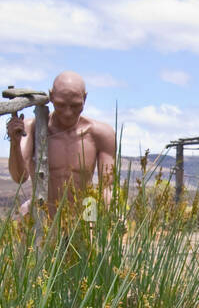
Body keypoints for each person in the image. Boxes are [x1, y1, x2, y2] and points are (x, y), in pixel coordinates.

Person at [6, 71, 116, 220]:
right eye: (61, 105)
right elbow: (19, 177)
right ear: (51, 96)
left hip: (82, 221)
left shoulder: (101, 134)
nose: (68, 113)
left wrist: (112, 217)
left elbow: (107, 188)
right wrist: (14, 143)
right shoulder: (31, 128)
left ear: (85, 98)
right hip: (42, 220)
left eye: (75, 105)